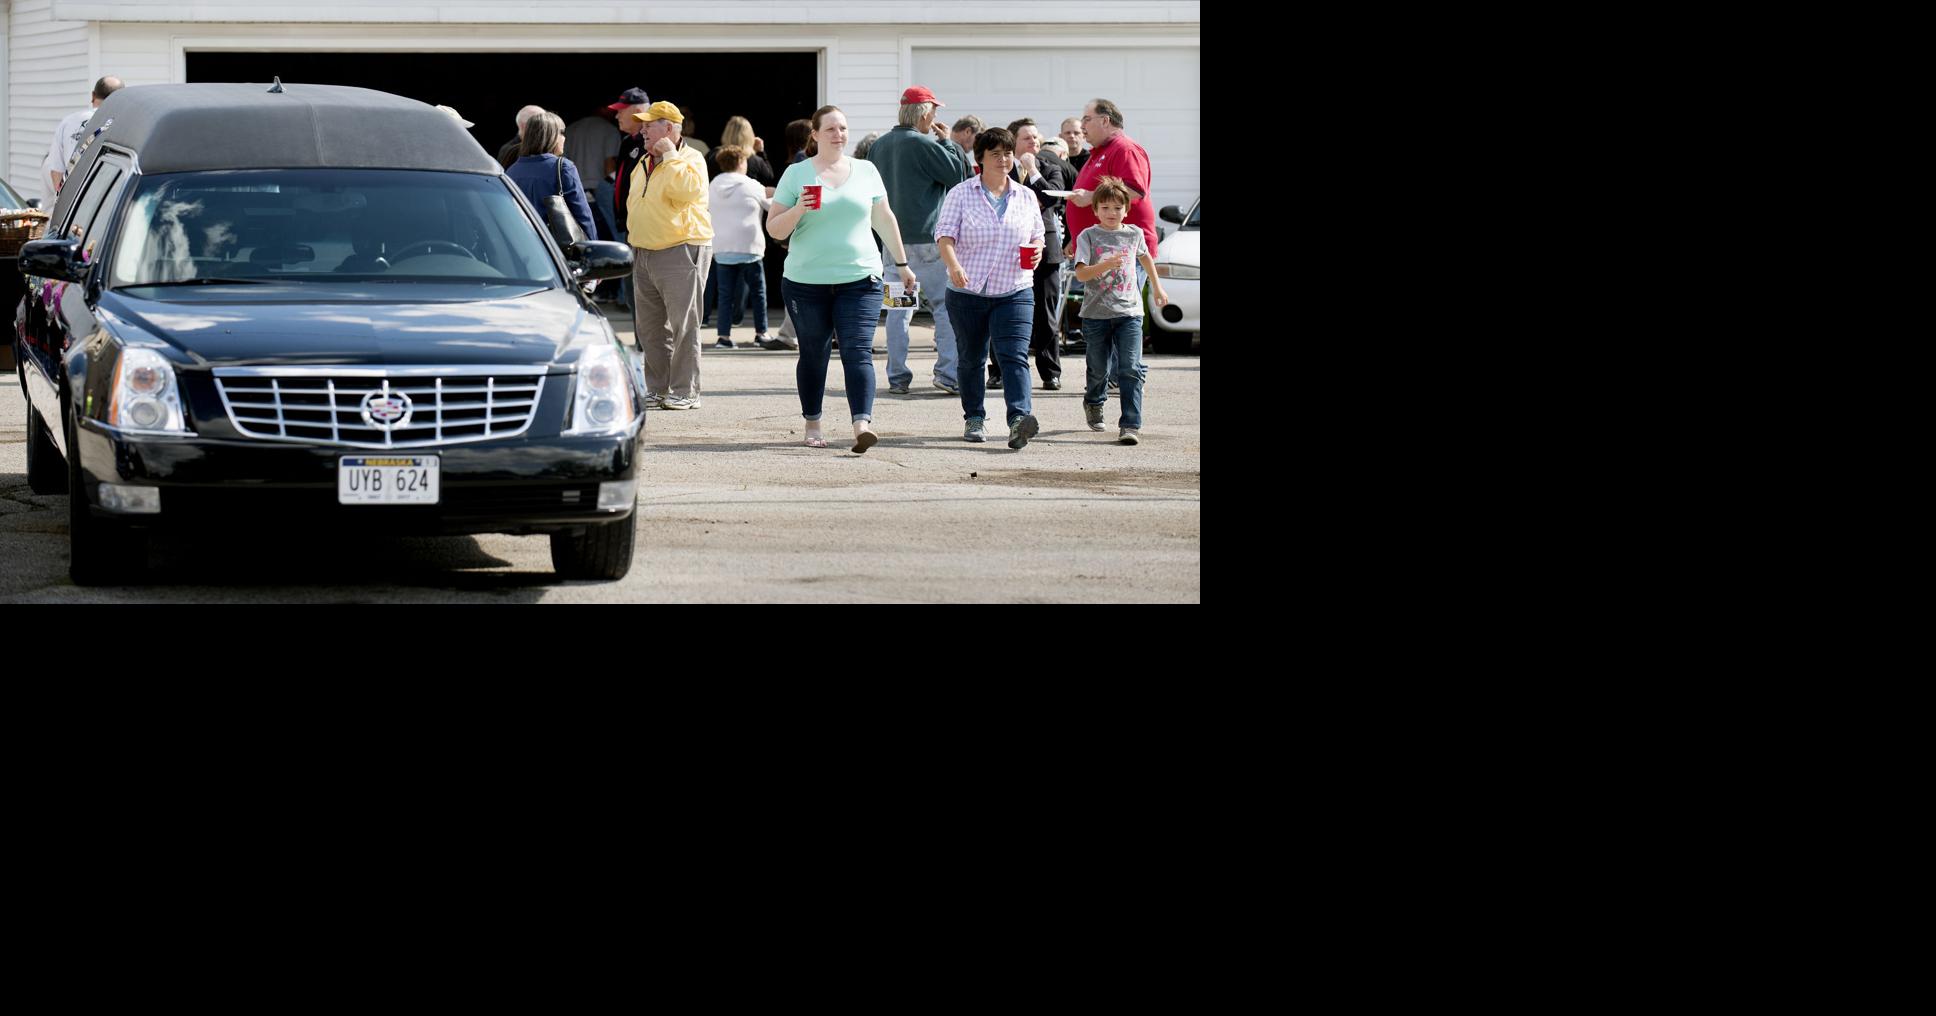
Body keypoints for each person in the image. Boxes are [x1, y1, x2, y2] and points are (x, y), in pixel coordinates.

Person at [767, 105, 917, 453]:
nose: (839, 135)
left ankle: (861, 424)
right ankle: (813, 423)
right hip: (806, 281)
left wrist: (902, 263)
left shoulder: (866, 171)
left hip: (860, 277)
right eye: (831, 129)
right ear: (815, 135)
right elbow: (774, 229)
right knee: (814, 354)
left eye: (844, 128)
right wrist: (799, 208)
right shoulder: (797, 174)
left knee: (858, 351)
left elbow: (884, 218)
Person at [935, 127, 1045, 450]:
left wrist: (1037, 248)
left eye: (1008, 153)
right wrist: (954, 265)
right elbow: (945, 236)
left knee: (1014, 357)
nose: (1004, 159)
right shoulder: (961, 193)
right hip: (967, 292)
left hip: (1015, 289)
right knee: (971, 358)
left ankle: (1018, 420)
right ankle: (974, 417)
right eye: (995, 154)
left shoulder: (1025, 196)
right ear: (980, 158)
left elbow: (1037, 233)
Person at [868, 85, 972, 394]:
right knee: (944, 308)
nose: (936, 117)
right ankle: (948, 374)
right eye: (934, 111)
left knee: (899, 311)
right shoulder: (925, 144)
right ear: (925, 114)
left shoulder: (879, 146)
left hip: (893, 243)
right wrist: (949, 142)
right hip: (929, 241)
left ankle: (898, 376)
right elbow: (960, 176)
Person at [626, 102, 713, 411]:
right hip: (644, 251)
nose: (643, 129)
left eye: (650, 124)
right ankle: (658, 388)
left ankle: (685, 390)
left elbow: (687, 192)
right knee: (649, 328)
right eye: (644, 124)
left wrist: (671, 156)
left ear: (671, 128)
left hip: (680, 248)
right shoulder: (643, 161)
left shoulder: (691, 159)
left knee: (683, 325)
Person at [1074, 177, 1167, 445]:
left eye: (1117, 208)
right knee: (1099, 370)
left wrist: (1157, 288)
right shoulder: (1088, 236)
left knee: (1130, 368)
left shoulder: (1134, 234)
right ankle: (1093, 401)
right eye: (1104, 207)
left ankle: (1130, 424)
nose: (1111, 213)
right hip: (1096, 314)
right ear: (1095, 210)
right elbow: (1081, 274)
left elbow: (1145, 258)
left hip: (1129, 312)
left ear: (1126, 209)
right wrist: (1106, 265)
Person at [997, 117, 1074, 391]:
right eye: (1027, 138)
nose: (1035, 142)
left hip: (1046, 248)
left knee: (1046, 313)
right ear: (1013, 142)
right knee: (1002, 310)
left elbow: (1052, 198)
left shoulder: (1050, 167)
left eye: (1037, 137)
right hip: (1006, 250)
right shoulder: (1000, 170)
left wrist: (1034, 173)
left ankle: (1050, 372)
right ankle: (999, 370)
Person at [707, 144, 773, 349]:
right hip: (749, 248)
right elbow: (770, 205)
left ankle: (723, 337)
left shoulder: (713, 185)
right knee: (758, 292)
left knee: (725, 295)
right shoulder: (751, 185)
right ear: (741, 162)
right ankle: (761, 333)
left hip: (722, 248)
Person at [507, 111, 597, 241]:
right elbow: (583, 215)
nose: (564, 138)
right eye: (562, 132)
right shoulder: (563, 167)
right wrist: (593, 246)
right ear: (551, 135)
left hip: (522, 247)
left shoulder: (511, 171)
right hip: (556, 252)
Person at [605, 86, 652, 311]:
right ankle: (640, 344)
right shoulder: (628, 142)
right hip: (628, 227)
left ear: (638, 111)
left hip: (646, 229)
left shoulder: (651, 143)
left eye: (621, 110)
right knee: (633, 290)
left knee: (644, 292)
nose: (617, 115)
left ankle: (646, 345)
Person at [44, 76, 123, 198]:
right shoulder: (122, 123)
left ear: (93, 96)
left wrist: (63, 200)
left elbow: (56, 170)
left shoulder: (68, 122)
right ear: (121, 98)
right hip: (107, 201)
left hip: (74, 205)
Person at [565, 105, 623, 242]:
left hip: (576, 191)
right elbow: (609, 165)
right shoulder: (609, 130)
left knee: (584, 239)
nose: (615, 114)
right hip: (600, 191)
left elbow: (564, 163)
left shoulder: (570, 130)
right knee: (615, 236)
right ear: (602, 109)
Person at [497, 104, 546, 169]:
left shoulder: (545, 145)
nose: (545, 128)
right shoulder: (510, 151)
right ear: (524, 126)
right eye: (541, 124)